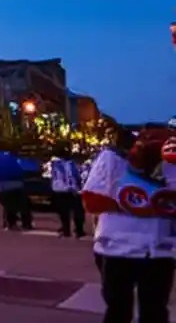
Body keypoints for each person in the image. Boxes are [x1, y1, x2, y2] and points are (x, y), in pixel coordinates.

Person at [82, 129, 176, 323]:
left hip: (159, 250)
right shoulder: (112, 158)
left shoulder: (171, 160)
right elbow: (91, 201)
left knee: (155, 311)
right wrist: (140, 207)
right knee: (118, 310)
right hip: (116, 249)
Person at [50, 149, 86, 239]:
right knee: (78, 211)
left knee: (64, 212)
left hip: (60, 190)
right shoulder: (73, 165)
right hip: (73, 191)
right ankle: (79, 230)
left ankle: (66, 230)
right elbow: (78, 177)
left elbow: (53, 177)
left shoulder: (55, 165)